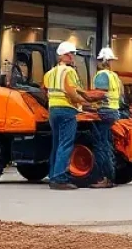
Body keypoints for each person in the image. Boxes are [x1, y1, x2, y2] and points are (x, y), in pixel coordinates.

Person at [43, 41, 104, 190]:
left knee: (57, 144)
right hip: (66, 110)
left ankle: (53, 175)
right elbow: (72, 93)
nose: (72, 56)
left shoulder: (50, 73)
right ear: (63, 55)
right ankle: (59, 179)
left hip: (53, 111)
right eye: (70, 54)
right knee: (65, 144)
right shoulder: (69, 72)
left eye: (73, 54)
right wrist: (86, 103)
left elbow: (45, 90)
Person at [90, 47, 122, 189]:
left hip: (104, 112)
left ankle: (105, 177)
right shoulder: (113, 76)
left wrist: (84, 98)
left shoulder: (102, 75)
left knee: (100, 145)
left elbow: (99, 94)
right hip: (113, 111)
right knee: (107, 144)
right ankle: (110, 176)